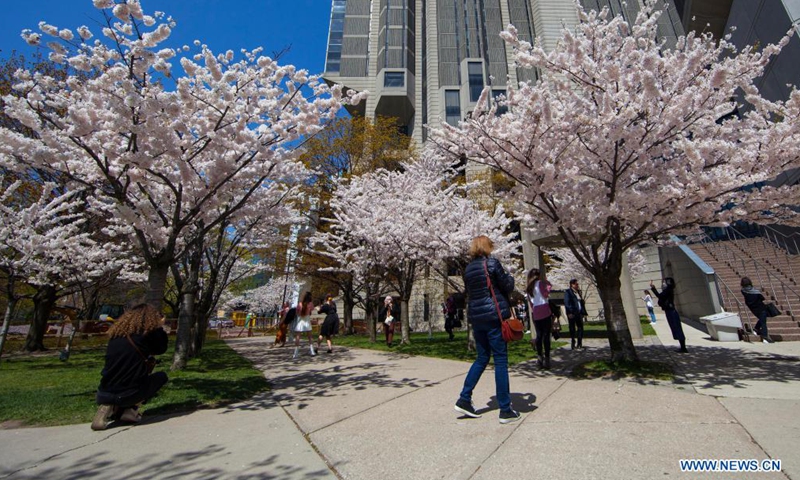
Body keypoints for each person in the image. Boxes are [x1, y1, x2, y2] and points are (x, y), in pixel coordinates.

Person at [454, 235, 520, 424]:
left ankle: (464, 398)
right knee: (500, 360)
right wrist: (510, 276)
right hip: (493, 317)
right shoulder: (492, 264)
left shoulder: (468, 269)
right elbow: (507, 286)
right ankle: (505, 409)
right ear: (487, 247)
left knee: (482, 358)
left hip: (477, 317)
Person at [92, 304, 169, 431]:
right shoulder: (148, 333)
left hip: (104, 391)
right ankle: (131, 410)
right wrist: (160, 328)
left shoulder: (116, 334)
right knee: (161, 377)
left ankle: (107, 406)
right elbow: (161, 349)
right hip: (131, 392)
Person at [650, 278, 688, 353]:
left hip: (671, 311)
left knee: (677, 329)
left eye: (664, 282)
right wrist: (653, 288)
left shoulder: (668, 290)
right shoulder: (666, 291)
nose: (662, 284)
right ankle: (682, 347)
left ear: (668, 283)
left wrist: (653, 289)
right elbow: (660, 296)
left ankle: (683, 348)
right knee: (675, 329)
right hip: (668, 311)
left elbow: (660, 296)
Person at [527, 268, 553, 369]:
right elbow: (546, 294)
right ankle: (547, 359)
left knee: (539, 335)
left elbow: (531, 303)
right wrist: (549, 285)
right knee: (546, 335)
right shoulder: (541, 283)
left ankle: (539, 358)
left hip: (536, 311)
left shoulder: (529, 287)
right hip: (544, 310)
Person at [740, 277, 775, 343]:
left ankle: (756, 329)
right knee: (763, 322)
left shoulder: (743, 291)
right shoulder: (755, 291)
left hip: (753, 308)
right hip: (761, 307)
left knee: (762, 319)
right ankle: (765, 338)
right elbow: (762, 298)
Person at [293, 292, 316, 358]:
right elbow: (311, 310)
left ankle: (296, 352)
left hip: (300, 320)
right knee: (310, 337)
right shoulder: (310, 304)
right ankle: (312, 351)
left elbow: (297, 312)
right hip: (307, 320)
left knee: (298, 337)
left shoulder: (300, 304)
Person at [564, 278, 585, 350]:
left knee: (580, 328)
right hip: (572, 313)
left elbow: (580, 301)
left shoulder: (578, 292)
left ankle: (579, 343)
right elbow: (567, 303)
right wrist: (569, 312)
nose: (577, 285)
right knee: (572, 328)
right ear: (572, 285)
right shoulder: (568, 292)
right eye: (576, 284)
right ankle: (573, 341)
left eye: (577, 284)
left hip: (579, 312)